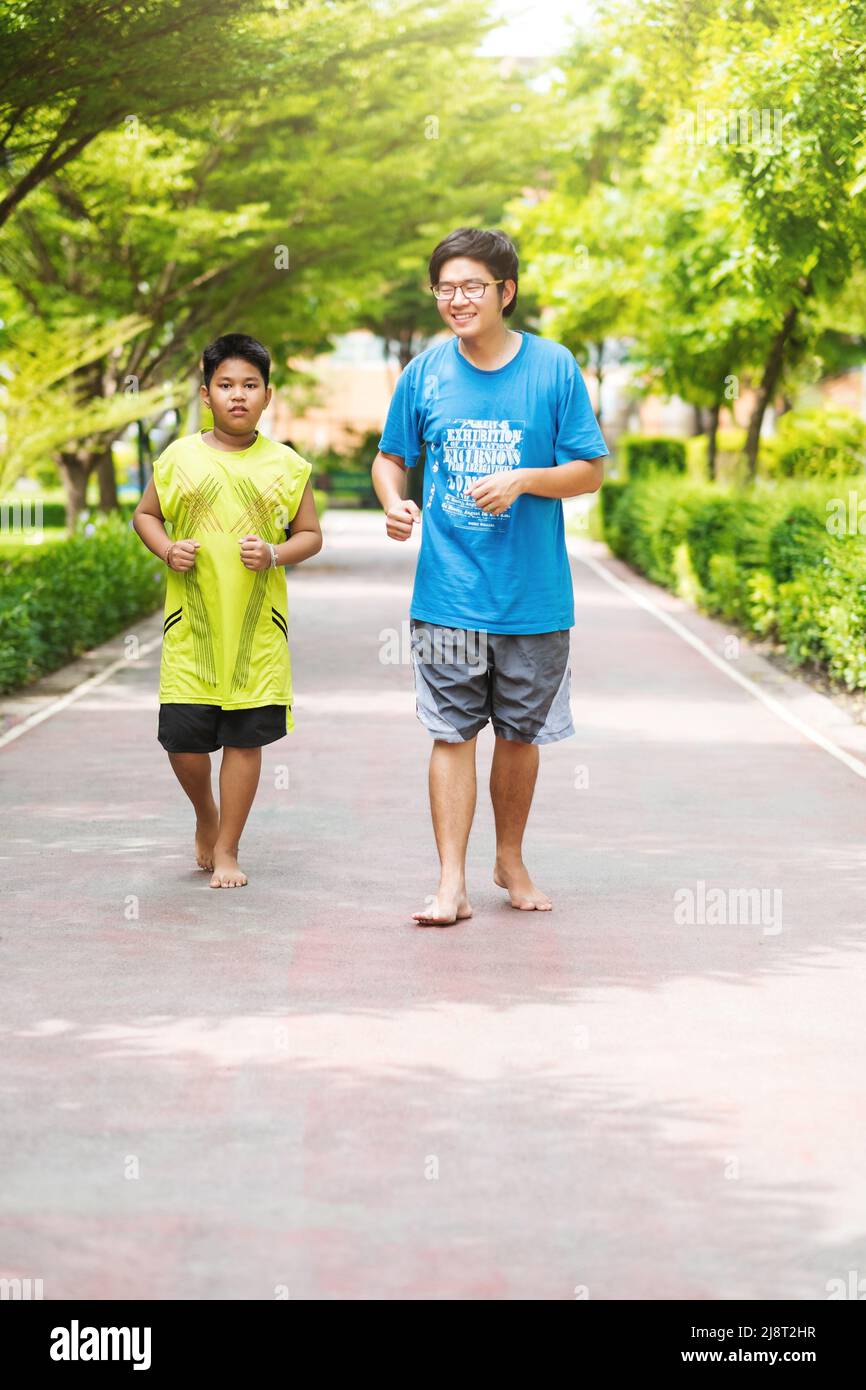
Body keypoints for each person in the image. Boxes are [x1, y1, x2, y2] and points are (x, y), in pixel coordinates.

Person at [372, 227, 609, 926]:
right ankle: (451, 883)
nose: (457, 299)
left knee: (519, 735)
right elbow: (391, 458)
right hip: (447, 593)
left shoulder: (554, 367)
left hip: (533, 597)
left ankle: (509, 857)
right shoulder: (425, 373)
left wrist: (527, 480)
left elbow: (590, 470)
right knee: (450, 732)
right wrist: (394, 501)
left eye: (472, 286)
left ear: (506, 292)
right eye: (445, 288)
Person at [133, 333, 322, 888]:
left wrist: (275, 553)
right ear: (206, 394)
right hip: (190, 628)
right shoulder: (177, 458)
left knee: (245, 739)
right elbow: (146, 515)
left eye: (250, 385)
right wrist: (167, 548)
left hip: (257, 632)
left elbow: (309, 534)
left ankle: (230, 848)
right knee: (183, 741)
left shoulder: (288, 467)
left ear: (267, 396)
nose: (238, 395)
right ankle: (205, 815)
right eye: (226, 385)